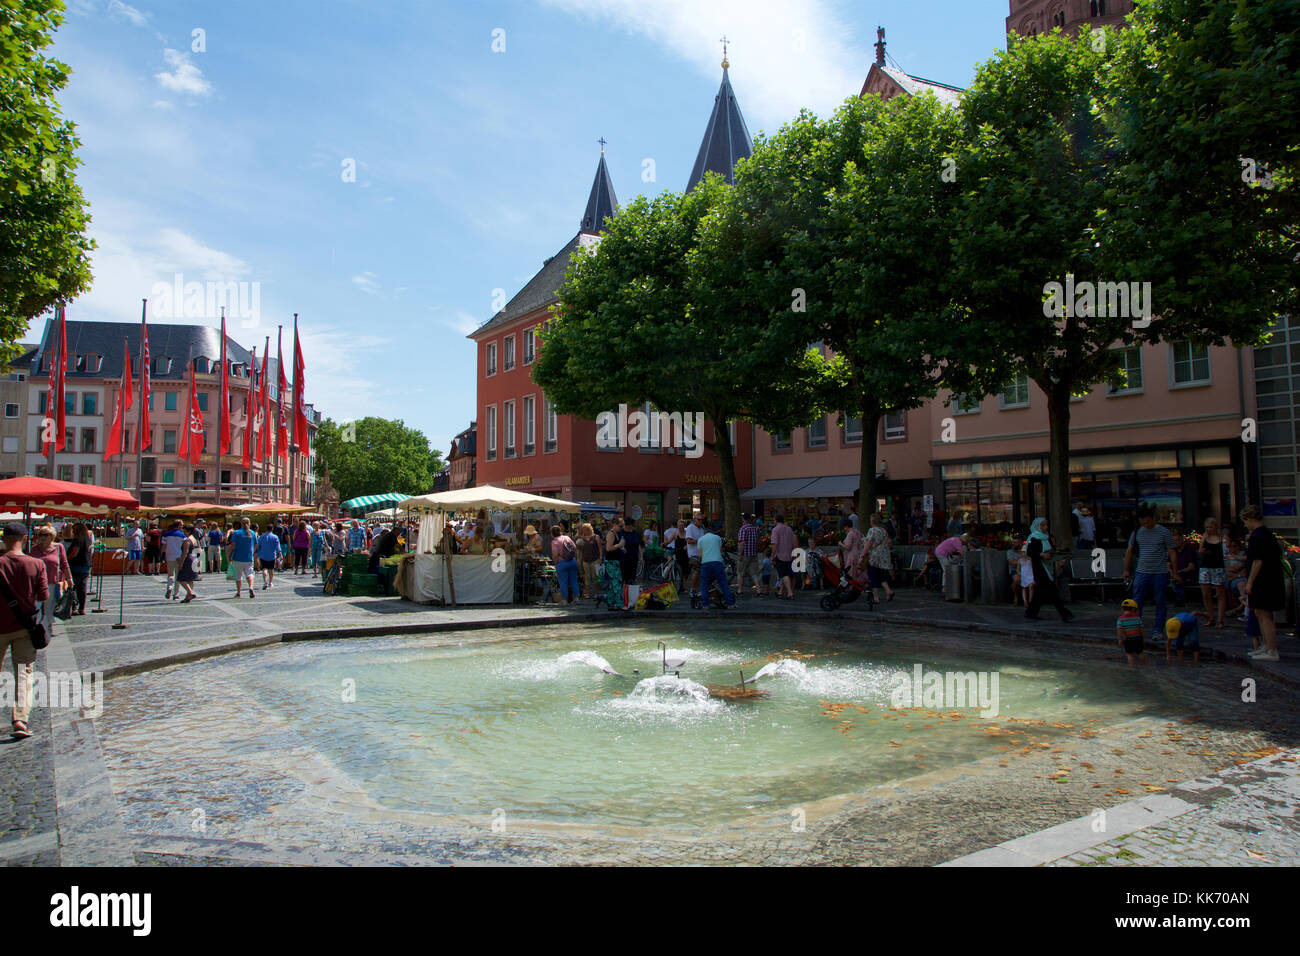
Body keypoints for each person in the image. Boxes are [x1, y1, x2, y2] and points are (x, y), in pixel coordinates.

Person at [0, 523, 49, 740]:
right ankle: (20, 719)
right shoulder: (36, 564)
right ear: (25, 537)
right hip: (24, 628)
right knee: (23, 674)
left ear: (4, 538)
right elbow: (43, 597)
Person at [1123, 504, 1176, 635]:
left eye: (1147, 522)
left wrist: (1175, 571)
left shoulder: (1164, 532)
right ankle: (1135, 627)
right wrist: (1126, 569)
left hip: (1160, 571)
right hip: (1142, 570)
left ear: (1153, 518)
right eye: (1143, 523)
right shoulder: (1137, 532)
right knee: (1137, 600)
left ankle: (1158, 629)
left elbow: (1172, 551)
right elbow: (1129, 550)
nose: (1145, 525)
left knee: (1160, 601)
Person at [1241, 505, 1285, 662]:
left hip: (1264, 580)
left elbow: (1257, 561)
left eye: (1245, 521)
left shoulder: (1258, 536)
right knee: (1259, 612)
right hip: (1268, 579)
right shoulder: (1266, 534)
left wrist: (1250, 582)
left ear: (1250, 519)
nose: (1245, 524)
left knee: (1265, 614)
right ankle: (1266, 646)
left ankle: (1272, 649)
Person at [1025, 517, 1073, 622]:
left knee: (1039, 593)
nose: (1046, 527)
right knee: (1053, 592)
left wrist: (1053, 554)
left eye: (1046, 525)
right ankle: (1064, 614)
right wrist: (1041, 555)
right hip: (1040, 569)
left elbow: (1051, 550)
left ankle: (1030, 612)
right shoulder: (1034, 538)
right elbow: (1029, 552)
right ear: (1038, 526)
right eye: (1043, 525)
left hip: (1048, 567)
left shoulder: (1046, 538)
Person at [29, 525, 70, 636]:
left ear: (51, 536)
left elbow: (64, 564)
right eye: (40, 534)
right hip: (37, 583)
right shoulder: (34, 549)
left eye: (45, 535)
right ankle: (38, 626)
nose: (42, 537)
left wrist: (69, 579)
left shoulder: (58, 547)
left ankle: (47, 627)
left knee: (49, 606)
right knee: (37, 606)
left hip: (53, 582)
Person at [696, 522, 735, 610]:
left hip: (706, 563)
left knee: (704, 584)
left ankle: (705, 604)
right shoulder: (717, 538)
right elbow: (720, 551)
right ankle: (730, 603)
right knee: (723, 583)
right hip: (717, 562)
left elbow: (700, 555)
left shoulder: (700, 539)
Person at [1197, 517, 1227, 628]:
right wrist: (1202, 551)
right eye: (1207, 527)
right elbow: (1200, 550)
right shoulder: (1205, 537)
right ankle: (1211, 617)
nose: (1208, 529)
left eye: (1210, 527)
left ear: (1215, 527)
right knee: (1206, 594)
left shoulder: (1222, 538)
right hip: (1206, 566)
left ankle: (1220, 620)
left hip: (1218, 566)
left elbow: (1225, 553)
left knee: (1220, 593)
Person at [863, 513, 895, 602]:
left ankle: (876, 597)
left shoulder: (872, 530)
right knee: (881, 575)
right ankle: (888, 590)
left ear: (872, 521)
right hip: (883, 556)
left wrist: (863, 555)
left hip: (874, 556)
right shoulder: (883, 530)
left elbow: (868, 544)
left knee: (873, 576)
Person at [65, 522, 93, 615]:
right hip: (86, 566)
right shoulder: (87, 539)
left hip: (76, 565)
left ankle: (74, 607)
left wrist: (67, 559)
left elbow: (75, 552)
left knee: (73, 588)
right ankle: (82, 608)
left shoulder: (77, 540)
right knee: (82, 588)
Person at [227, 517, 256, 598]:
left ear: (241, 524)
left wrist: (229, 555)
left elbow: (233, 546)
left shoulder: (236, 533)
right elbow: (256, 545)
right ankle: (250, 587)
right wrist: (252, 552)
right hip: (249, 557)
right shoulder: (253, 533)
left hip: (238, 557)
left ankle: (239, 592)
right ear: (249, 523)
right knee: (249, 574)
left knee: (238, 575)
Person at [550, 524, 579, 605]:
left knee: (563, 582)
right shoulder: (567, 537)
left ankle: (564, 599)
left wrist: (556, 564)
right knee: (574, 581)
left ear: (552, 533)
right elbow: (574, 548)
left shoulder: (554, 541)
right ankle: (576, 598)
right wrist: (575, 559)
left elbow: (555, 555)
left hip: (562, 563)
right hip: (572, 561)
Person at [770, 514, 796, 600]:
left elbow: (774, 545)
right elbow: (793, 542)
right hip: (789, 555)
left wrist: (772, 556)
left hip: (780, 555)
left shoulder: (775, 530)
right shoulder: (789, 529)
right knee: (786, 574)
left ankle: (790, 593)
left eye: (774, 520)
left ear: (776, 521)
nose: (773, 522)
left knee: (783, 574)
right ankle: (781, 592)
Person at [603, 518, 626, 610]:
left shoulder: (616, 533)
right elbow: (608, 548)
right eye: (620, 526)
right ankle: (620, 604)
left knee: (613, 584)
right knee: (617, 583)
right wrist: (619, 545)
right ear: (615, 524)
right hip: (611, 562)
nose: (622, 528)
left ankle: (611, 604)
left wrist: (621, 548)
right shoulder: (611, 534)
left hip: (614, 561)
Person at [737, 514, 762, 598]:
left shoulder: (743, 528)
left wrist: (740, 554)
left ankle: (739, 590)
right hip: (753, 554)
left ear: (743, 520)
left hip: (745, 554)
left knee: (740, 572)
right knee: (754, 573)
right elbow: (758, 541)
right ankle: (758, 590)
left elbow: (742, 543)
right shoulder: (755, 528)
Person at [161, 519, 187, 601]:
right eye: (181, 525)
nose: (182, 526)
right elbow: (184, 546)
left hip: (169, 556)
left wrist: (162, 555)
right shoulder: (182, 535)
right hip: (178, 556)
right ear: (178, 525)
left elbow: (163, 546)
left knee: (170, 574)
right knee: (178, 576)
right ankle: (176, 594)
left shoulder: (167, 534)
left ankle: (169, 587)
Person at [1115, 598, 1146, 666]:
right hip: (1138, 638)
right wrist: (1143, 638)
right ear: (1133, 609)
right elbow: (1141, 629)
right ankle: (1144, 666)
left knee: (1129, 654)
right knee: (1140, 652)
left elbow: (1119, 630)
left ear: (1122, 609)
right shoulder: (1137, 618)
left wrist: (1120, 639)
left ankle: (1131, 666)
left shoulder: (1120, 619)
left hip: (1128, 639)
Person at [1171, 532, 1199, 605]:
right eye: (1173, 541)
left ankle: (1180, 599)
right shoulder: (1173, 551)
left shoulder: (1189, 550)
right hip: (1174, 572)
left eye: (1177, 540)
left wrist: (1179, 572)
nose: (1175, 542)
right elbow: (1168, 564)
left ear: (1182, 540)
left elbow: (1191, 566)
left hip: (1187, 572)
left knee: (1178, 577)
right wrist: (1172, 571)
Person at [684, 512, 707, 598]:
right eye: (699, 519)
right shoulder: (690, 528)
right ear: (694, 520)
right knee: (697, 571)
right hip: (693, 554)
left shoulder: (701, 529)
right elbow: (689, 541)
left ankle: (696, 589)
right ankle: (693, 589)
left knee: (701, 572)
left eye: (702, 520)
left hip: (702, 554)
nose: (701, 521)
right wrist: (700, 540)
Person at [176, 524, 200, 603]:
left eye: (185, 531)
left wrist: (181, 563)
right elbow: (198, 549)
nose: (184, 533)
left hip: (188, 559)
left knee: (181, 578)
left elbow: (185, 553)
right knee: (190, 579)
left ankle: (190, 593)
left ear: (189, 531)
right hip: (194, 558)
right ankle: (187, 597)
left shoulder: (187, 540)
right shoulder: (194, 539)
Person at [575, 522, 599, 601]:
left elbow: (599, 548)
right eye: (582, 529)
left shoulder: (595, 537)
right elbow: (577, 546)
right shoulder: (581, 538)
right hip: (585, 560)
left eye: (584, 529)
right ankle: (587, 593)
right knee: (587, 577)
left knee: (594, 577)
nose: (583, 531)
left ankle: (596, 593)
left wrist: (600, 558)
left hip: (594, 559)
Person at [256, 523, 282, 589]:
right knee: (271, 569)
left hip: (263, 555)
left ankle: (265, 582)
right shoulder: (275, 537)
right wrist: (280, 554)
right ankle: (270, 582)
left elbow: (258, 545)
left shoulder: (261, 537)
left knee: (264, 569)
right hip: (272, 555)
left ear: (266, 529)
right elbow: (278, 547)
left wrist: (257, 552)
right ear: (272, 529)